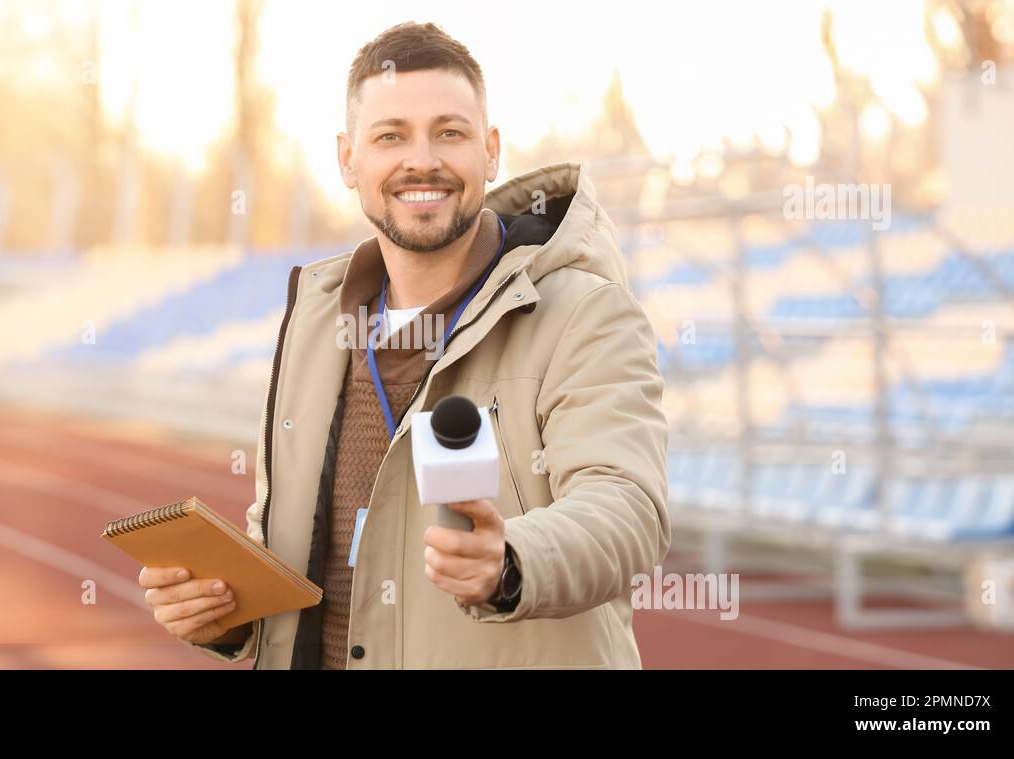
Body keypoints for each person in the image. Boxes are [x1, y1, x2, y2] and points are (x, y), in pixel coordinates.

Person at [141, 20, 669, 669]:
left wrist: (509, 561)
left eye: (449, 132)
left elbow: (626, 509)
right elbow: (293, 546)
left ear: (491, 150)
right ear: (347, 159)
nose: (422, 159)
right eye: (391, 136)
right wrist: (222, 612)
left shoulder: (584, 313)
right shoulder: (314, 318)